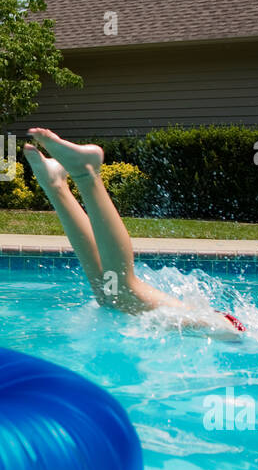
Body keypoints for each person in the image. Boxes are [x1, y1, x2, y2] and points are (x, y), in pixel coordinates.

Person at [23, 128, 246, 340]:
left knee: (106, 292)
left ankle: (56, 185)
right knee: (120, 291)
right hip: (225, 328)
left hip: (224, 327)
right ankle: (86, 173)